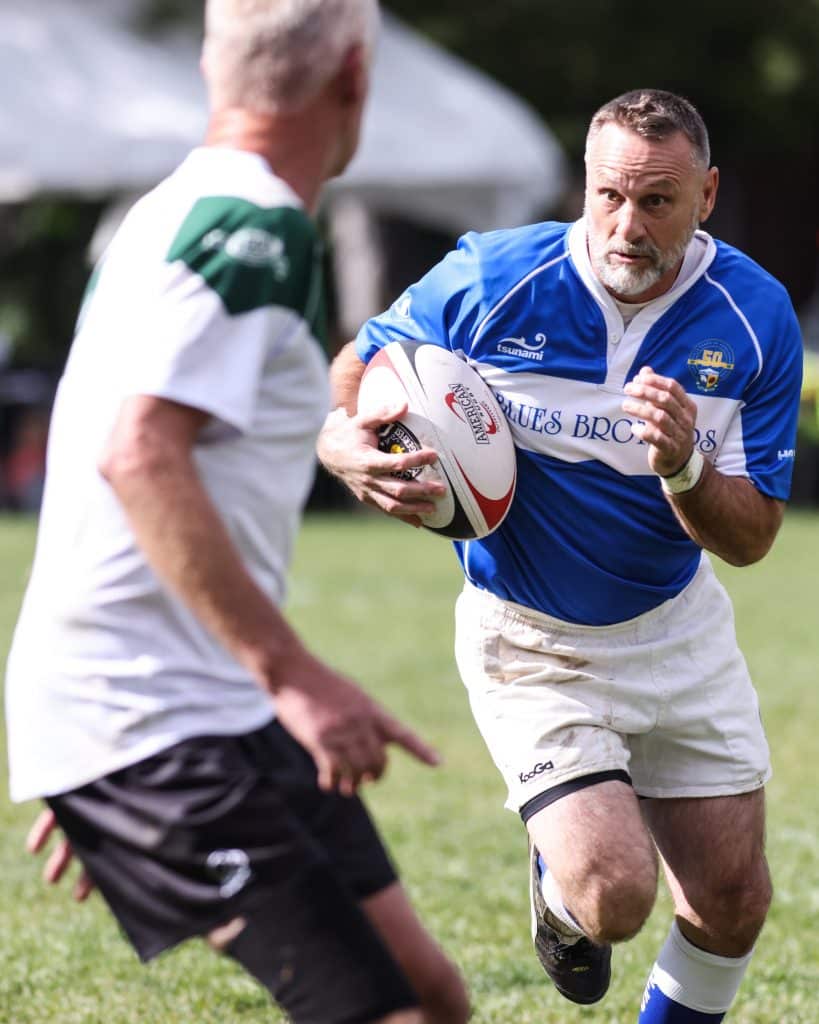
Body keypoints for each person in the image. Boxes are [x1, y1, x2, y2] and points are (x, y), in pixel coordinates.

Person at [5, 3, 471, 1023]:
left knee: (434, 996)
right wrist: (291, 676)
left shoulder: (184, 209)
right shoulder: (248, 229)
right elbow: (137, 455)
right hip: (150, 714)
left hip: (193, 703)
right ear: (353, 75)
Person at [316, 89, 803, 1022]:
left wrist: (685, 465)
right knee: (616, 896)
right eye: (607, 196)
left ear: (705, 195)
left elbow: (753, 538)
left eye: (656, 201)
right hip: (529, 640)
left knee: (733, 904)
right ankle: (560, 884)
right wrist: (342, 443)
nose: (625, 227)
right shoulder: (493, 276)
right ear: (584, 185)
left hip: (675, 628)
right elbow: (366, 362)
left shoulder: (752, 317)